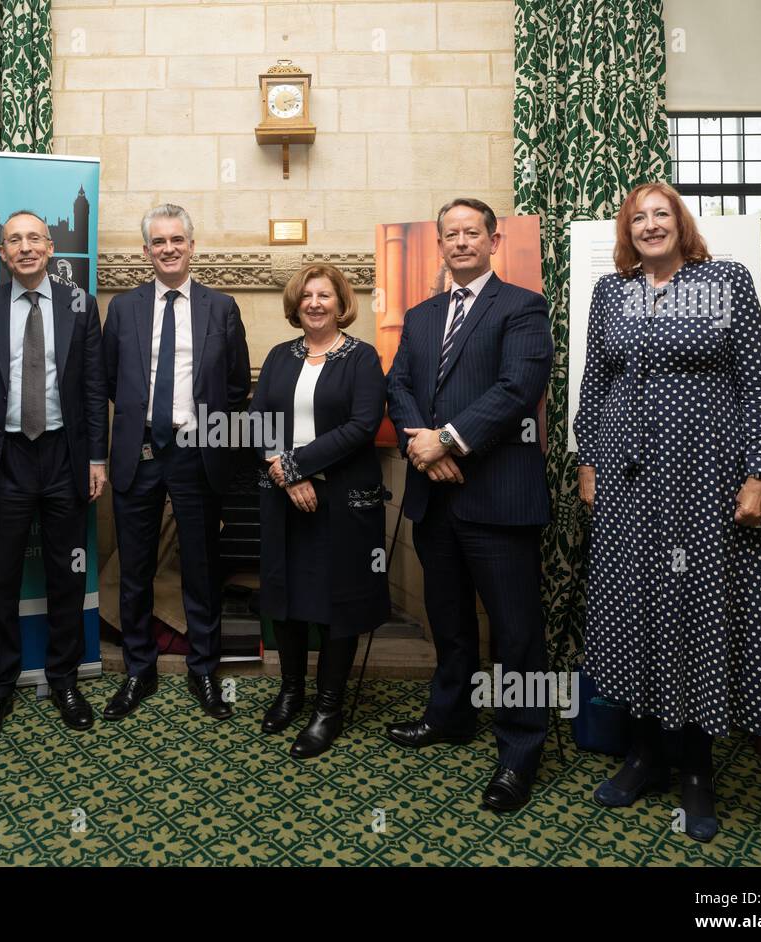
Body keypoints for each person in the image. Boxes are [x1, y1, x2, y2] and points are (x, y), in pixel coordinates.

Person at [573, 181, 761, 842]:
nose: (650, 225)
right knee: (634, 607)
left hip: (705, 479)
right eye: (639, 218)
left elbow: (755, 377)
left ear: (681, 224)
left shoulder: (725, 281)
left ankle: (696, 769)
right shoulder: (614, 291)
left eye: (662, 214)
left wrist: (759, 472)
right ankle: (644, 754)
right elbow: (595, 380)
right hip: (628, 483)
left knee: (694, 609)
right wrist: (589, 460)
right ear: (627, 232)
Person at [385, 197, 554, 812]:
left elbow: (518, 387)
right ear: (440, 244)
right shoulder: (422, 314)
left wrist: (447, 439)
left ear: (493, 240)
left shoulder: (522, 307)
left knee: (516, 634)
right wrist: (423, 448)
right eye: (450, 234)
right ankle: (451, 715)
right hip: (436, 500)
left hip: (500, 499)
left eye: (471, 233)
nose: (460, 243)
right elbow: (397, 385)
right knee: (449, 622)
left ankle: (521, 748)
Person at [0, 210, 109, 742]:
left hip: (66, 458)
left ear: (50, 247)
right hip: (5, 459)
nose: (25, 248)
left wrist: (97, 459)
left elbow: (94, 387)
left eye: (34, 239)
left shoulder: (78, 303)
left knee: (67, 577)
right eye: (14, 240)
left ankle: (65, 680)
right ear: (2, 252)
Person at [101, 203, 251, 720]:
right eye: (158, 242)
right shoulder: (122, 308)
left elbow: (235, 386)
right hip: (137, 453)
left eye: (177, 240)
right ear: (146, 252)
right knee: (135, 569)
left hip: (197, 454)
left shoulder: (221, 307)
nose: (168, 249)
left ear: (192, 245)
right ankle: (138, 671)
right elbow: (107, 380)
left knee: (201, 568)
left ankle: (204, 669)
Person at [249, 264, 389, 758]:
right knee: (285, 599)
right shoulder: (279, 357)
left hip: (342, 503)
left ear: (340, 302)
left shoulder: (362, 357)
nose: (314, 303)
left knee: (337, 604)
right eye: (306, 295)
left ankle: (328, 707)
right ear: (296, 303)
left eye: (324, 295)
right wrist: (289, 476)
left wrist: (294, 462)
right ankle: (291, 692)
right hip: (286, 496)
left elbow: (361, 426)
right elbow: (257, 419)